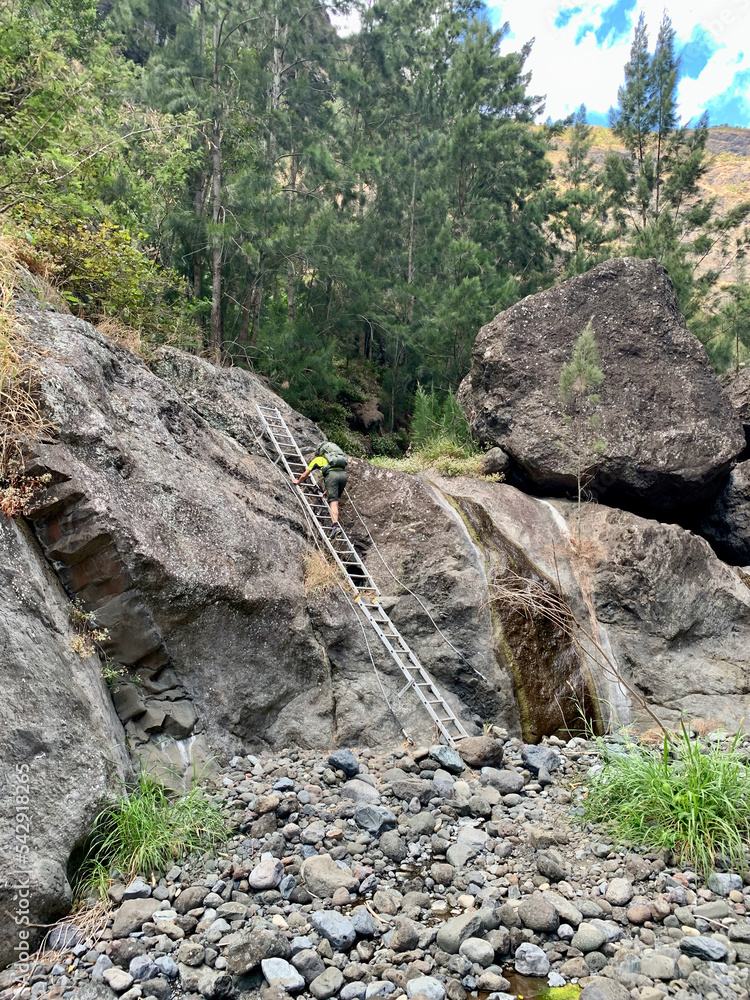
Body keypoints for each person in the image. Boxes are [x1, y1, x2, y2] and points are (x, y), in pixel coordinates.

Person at [292, 442, 348, 539]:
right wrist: (328, 490)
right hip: (343, 475)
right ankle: (335, 525)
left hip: (332, 476)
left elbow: (305, 474)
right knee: (335, 501)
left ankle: (335, 526)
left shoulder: (318, 459)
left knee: (333, 503)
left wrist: (298, 481)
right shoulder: (335, 460)